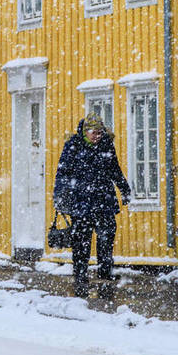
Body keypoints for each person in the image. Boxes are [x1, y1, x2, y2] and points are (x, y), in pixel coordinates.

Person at [52, 113, 131, 297]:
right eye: (94, 132)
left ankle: (105, 271)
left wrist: (124, 189)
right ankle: (80, 274)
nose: (97, 136)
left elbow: (114, 169)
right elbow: (62, 173)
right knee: (81, 240)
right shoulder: (73, 146)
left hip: (104, 200)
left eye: (100, 132)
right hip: (81, 201)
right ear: (85, 132)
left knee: (106, 236)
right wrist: (60, 197)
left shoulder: (106, 145)